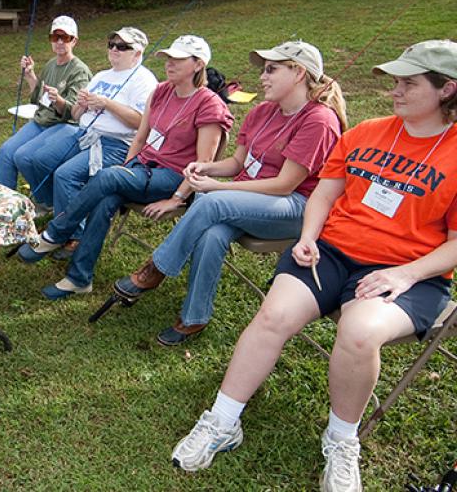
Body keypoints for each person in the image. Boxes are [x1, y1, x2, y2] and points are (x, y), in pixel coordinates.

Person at [169, 40, 457, 492]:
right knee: (274, 315)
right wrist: (306, 238)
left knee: (359, 333)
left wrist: (406, 273)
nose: (395, 91)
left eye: (409, 83)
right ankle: (222, 421)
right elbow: (323, 193)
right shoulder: (367, 132)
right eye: (396, 81)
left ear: (447, 89)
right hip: (331, 252)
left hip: (409, 271)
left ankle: (342, 442)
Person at [114, 40, 347, 346]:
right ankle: (195, 317)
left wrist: (217, 188)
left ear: (298, 73)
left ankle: (156, 268)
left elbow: (285, 184)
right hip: (249, 200)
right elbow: (238, 162)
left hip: (294, 207)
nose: (262, 77)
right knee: (214, 232)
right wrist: (205, 168)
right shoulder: (262, 111)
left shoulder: (319, 120)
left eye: (271, 69)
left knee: (213, 202)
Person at [17, 35, 234, 299]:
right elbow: (140, 138)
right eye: (168, 58)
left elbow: (203, 165)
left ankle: (55, 233)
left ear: (198, 64)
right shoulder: (162, 91)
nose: (169, 63)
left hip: (174, 178)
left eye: (178, 59)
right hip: (143, 169)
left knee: (108, 177)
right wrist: (129, 168)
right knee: (106, 198)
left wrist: (176, 199)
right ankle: (79, 278)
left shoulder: (208, 103)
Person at [16, 27, 158, 254]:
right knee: (40, 159)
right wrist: (81, 105)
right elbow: (74, 116)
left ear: (137, 53)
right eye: (112, 44)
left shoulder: (144, 80)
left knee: (65, 174)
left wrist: (106, 103)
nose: (114, 49)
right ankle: (65, 211)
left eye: (122, 46)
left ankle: (76, 235)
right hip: (83, 134)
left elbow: (141, 122)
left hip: (116, 144)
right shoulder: (102, 76)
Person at [0, 16, 92, 202]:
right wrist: (30, 74)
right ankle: (2, 203)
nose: (60, 42)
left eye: (65, 37)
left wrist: (58, 100)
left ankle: (45, 201)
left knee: (24, 156)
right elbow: (39, 98)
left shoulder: (79, 71)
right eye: (55, 37)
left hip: (63, 124)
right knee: (6, 152)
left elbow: (74, 113)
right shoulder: (50, 65)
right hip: (41, 121)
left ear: (75, 41)